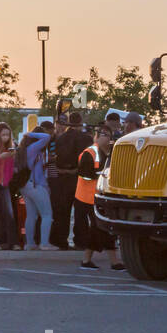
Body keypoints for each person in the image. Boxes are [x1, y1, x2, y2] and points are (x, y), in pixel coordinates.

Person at [76, 127, 124, 270]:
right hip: (88, 197)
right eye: (105, 135)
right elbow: (83, 174)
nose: (108, 139)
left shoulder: (106, 153)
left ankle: (89, 261)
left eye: (109, 136)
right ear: (97, 136)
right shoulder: (90, 152)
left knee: (100, 228)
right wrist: (102, 174)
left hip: (97, 197)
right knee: (101, 228)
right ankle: (112, 262)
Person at [50, 113, 93, 250]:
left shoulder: (61, 138)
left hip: (62, 177)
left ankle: (60, 241)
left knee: (62, 211)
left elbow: (56, 156)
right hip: (79, 177)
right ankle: (81, 240)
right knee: (81, 212)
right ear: (80, 122)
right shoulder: (86, 139)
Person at [19, 125, 53, 251]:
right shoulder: (33, 148)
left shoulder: (24, 150)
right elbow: (47, 137)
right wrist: (30, 134)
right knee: (47, 214)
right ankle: (44, 243)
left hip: (25, 186)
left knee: (31, 215)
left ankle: (30, 243)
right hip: (36, 185)